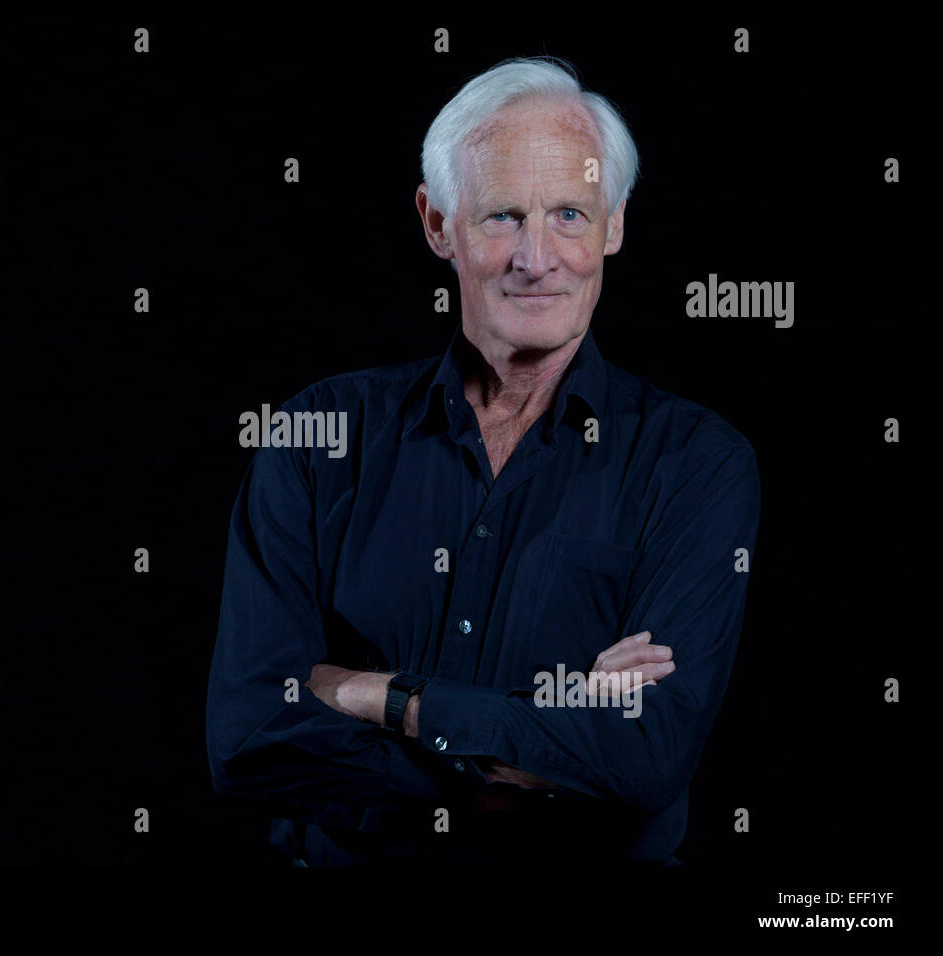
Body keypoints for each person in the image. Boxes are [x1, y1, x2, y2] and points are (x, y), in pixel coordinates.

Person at [205, 55, 761, 865]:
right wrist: (538, 752)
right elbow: (251, 733)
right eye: (502, 215)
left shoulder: (697, 464)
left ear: (615, 224)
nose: (537, 258)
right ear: (438, 225)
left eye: (570, 214)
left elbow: (644, 758)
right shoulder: (318, 434)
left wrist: (378, 695)